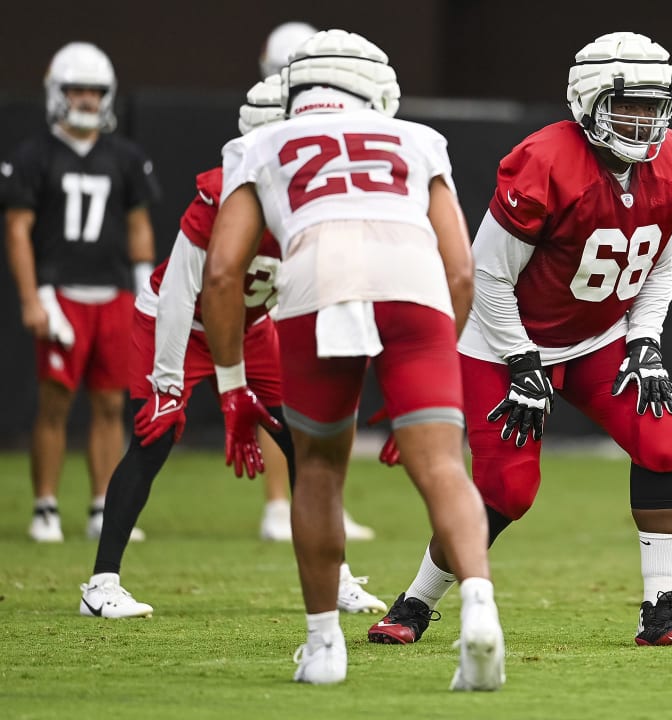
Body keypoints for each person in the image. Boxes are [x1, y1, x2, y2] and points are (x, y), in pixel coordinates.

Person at [366, 31, 672, 650]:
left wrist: (645, 340)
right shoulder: (546, 161)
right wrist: (523, 360)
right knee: (508, 491)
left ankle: (660, 611)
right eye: (628, 103)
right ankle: (416, 601)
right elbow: (490, 276)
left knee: (663, 443)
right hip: (503, 337)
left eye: (653, 103)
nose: (643, 119)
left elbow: (660, 265)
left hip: (596, 335)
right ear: (588, 101)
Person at [202, 29, 504, 689]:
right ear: (375, 88)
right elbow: (460, 270)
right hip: (415, 285)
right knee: (444, 465)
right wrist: (425, 368)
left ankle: (324, 646)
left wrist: (231, 384)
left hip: (316, 282)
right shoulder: (417, 139)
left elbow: (223, 273)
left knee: (317, 472)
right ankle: (480, 609)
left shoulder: (260, 143)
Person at [76, 76, 385, 620]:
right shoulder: (223, 192)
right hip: (178, 324)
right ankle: (101, 584)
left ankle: (333, 574)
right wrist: (169, 381)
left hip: (252, 325)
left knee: (306, 442)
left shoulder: (310, 194)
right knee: (154, 435)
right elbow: (178, 292)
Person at [2, 42, 158, 543]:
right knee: (55, 404)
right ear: (57, 93)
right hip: (59, 293)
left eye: (95, 90)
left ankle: (100, 506)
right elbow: (18, 229)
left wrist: (143, 290)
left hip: (112, 294)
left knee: (112, 405)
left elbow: (139, 226)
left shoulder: (125, 156)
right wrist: (31, 298)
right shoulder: (35, 155)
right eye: (77, 89)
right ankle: (45, 504)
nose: (87, 99)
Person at [252, 19, 376, 544]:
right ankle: (279, 502)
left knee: (333, 391)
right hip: (282, 267)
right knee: (276, 388)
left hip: (326, 263)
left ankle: (324, 499)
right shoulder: (263, 127)